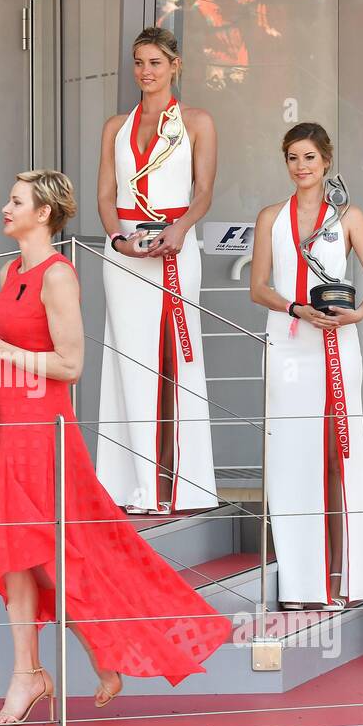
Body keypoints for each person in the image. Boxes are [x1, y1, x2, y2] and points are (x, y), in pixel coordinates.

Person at [0, 170, 232, 725]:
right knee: (22, 554)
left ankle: (47, 669)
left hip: (43, 433)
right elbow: (21, 359)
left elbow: (70, 366)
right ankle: (43, 669)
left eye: (16, 201)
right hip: (14, 425)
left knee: (47, 553)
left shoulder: (58, 276)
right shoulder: (13, 270)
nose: (5, 208)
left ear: (44, 214)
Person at [249, 123, 363, 610]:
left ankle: (347, 578)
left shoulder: (348, 217)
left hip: (337, 343)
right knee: (292, 453)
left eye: (309, 157)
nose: (301, 166)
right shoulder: (270, 217)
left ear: (326, 160)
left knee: (338, 454)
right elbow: (258, 287)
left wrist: (358, 315)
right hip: (289, 344)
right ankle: (303, 584)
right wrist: (294, 309)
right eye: (292, 158)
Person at [96, 26, 218, 514]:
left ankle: (177, 484)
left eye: (156, 63)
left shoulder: (198, 121)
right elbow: (106, 195)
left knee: (173, 360)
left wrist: (182, 228)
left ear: (175, 66)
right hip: (124, 252)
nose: (146, 73)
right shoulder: (115, 126)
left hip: (174, 245)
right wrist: (118, 240)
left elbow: (204, 189)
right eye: (139, 63)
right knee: (127, 359)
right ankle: (129, 483)